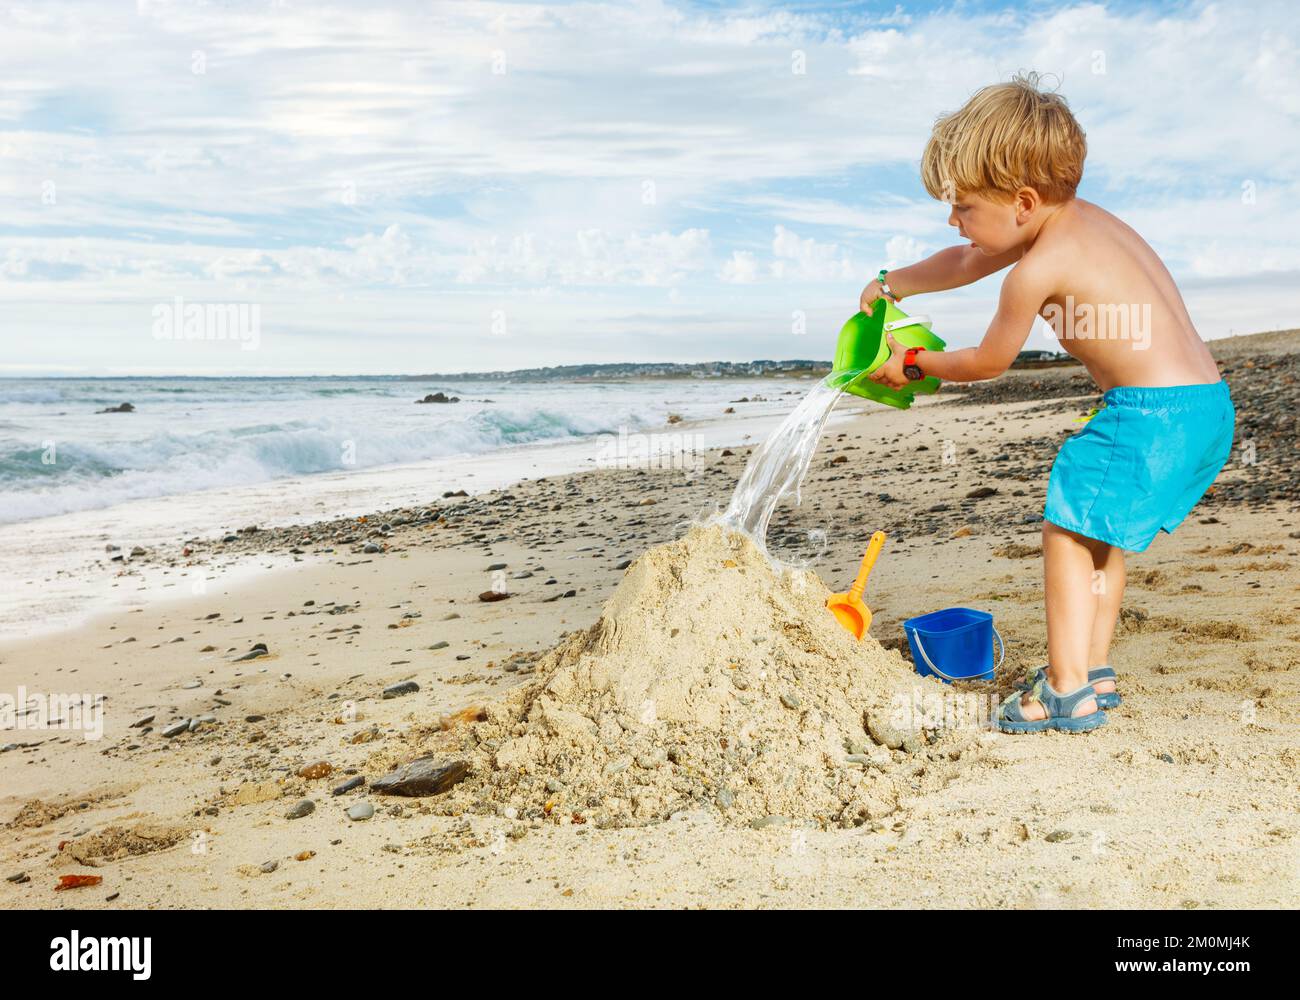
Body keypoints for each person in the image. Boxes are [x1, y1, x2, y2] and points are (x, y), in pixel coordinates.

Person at [862, 73, 1235, 734]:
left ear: (1024, 202)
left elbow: (988, 361)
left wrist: (913, 362)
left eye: (962, 207)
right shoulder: (1086, 223)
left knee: (1066, 529)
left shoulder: (1036, 270)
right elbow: (965, 261)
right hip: (1205, 407)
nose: (954, 221)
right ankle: (1092, 668)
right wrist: (892, 285)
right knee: (1099, 533)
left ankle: (1065, 692)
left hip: (1147, 413)